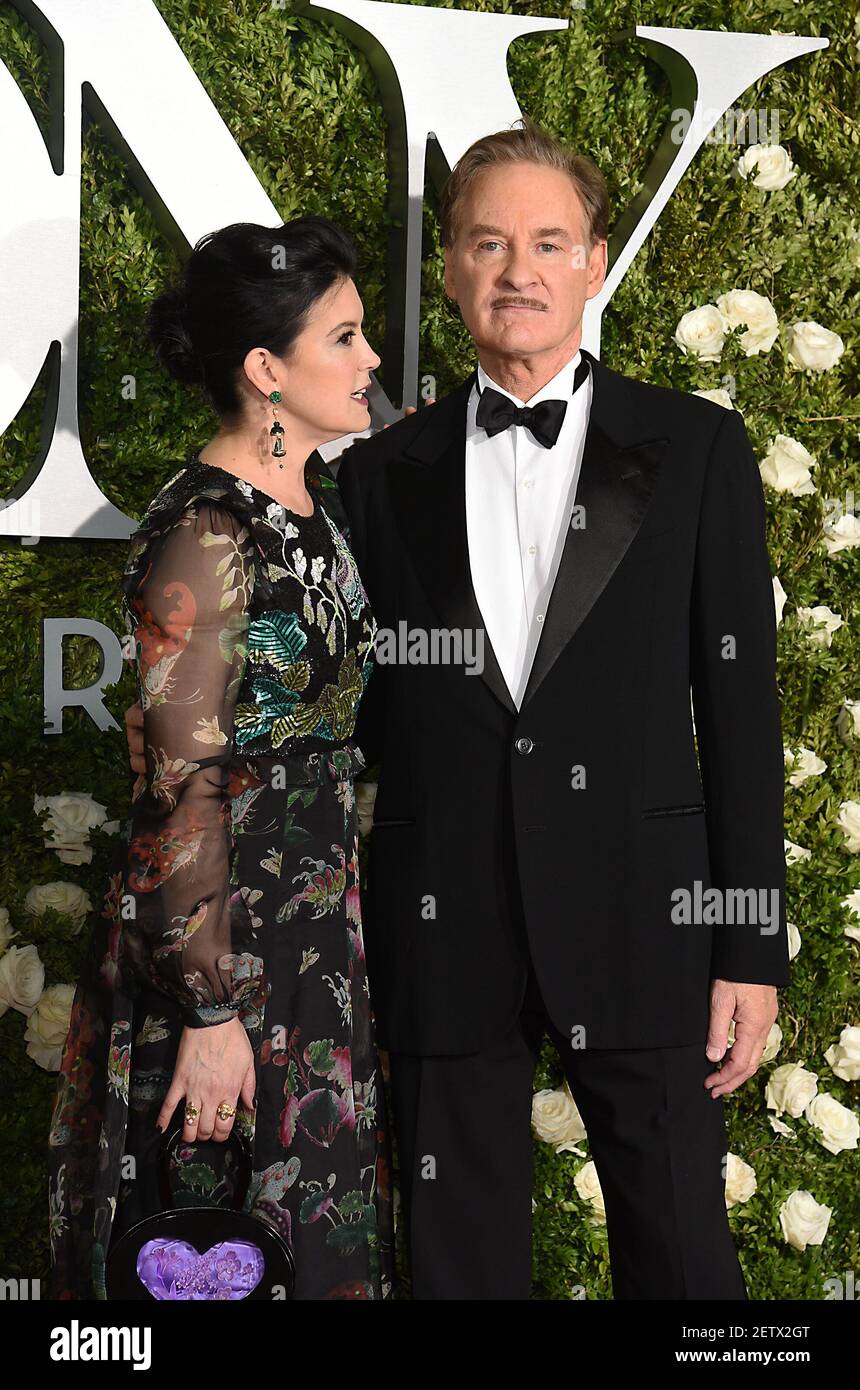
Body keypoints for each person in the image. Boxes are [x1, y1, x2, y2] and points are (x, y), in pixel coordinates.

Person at [127, 118, 791, 1300]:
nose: (518, 270)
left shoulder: (696, 448)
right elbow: (317, 712)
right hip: (440, 930)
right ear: (448, 270)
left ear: (594, 260)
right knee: (457, 1271)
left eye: (548, 240)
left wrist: (747, 947)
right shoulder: (371, 473)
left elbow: (739, 711)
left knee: (688, 1263)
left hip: (647, 926)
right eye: (488, 243)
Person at [49, 217, 395, 1300]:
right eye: (341, 339)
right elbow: (177, 780)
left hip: (313, 949)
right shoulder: (207, 529)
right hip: (223, 952)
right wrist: (206, 1011)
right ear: (265, 370)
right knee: (207, 1249)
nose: (371, 360)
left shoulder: (312, 508)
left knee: (312, 1247)